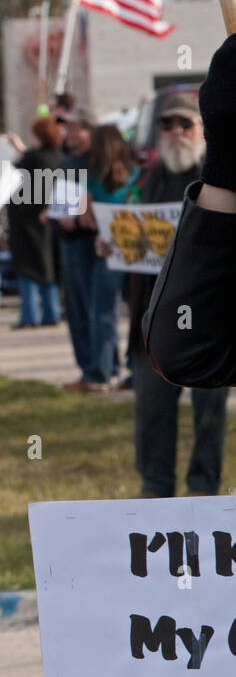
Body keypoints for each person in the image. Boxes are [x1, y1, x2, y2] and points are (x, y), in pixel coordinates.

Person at [133, 89, 229, 497]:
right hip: (152, 317)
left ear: (202, 129)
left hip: (210, 318)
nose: (174, 131)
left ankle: (203, 488)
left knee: (209, 411)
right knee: (153, 411)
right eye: (166, 124)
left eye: (184, 123)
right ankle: (156, 489)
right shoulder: (150, 178)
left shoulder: (218, 179)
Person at [80, 124, 138, 391]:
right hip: (138, 250)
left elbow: (86, 217)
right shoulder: (137, 173)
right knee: (140, 311)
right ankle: (137, 370)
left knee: (103, 312)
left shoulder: (92, 176)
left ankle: (103, 371)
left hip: (107, 250)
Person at [52, 106, 101, 393]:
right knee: (75, 309)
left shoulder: (97, 162)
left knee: (93, 308)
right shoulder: (66, 161)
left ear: (89, 130)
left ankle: (99, 370)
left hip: (89, 243)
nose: (67, 133)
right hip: (66, 243)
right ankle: (86, 369)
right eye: (66, 128)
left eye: (74, 128)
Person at [6, 116, 63, 328]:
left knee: (27, 270)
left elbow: (16, 170)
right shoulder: (59, 156)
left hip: (27, 221)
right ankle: (52, 312)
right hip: (50, 221)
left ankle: (29, 315)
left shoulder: (34, 159)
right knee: (48, 269)